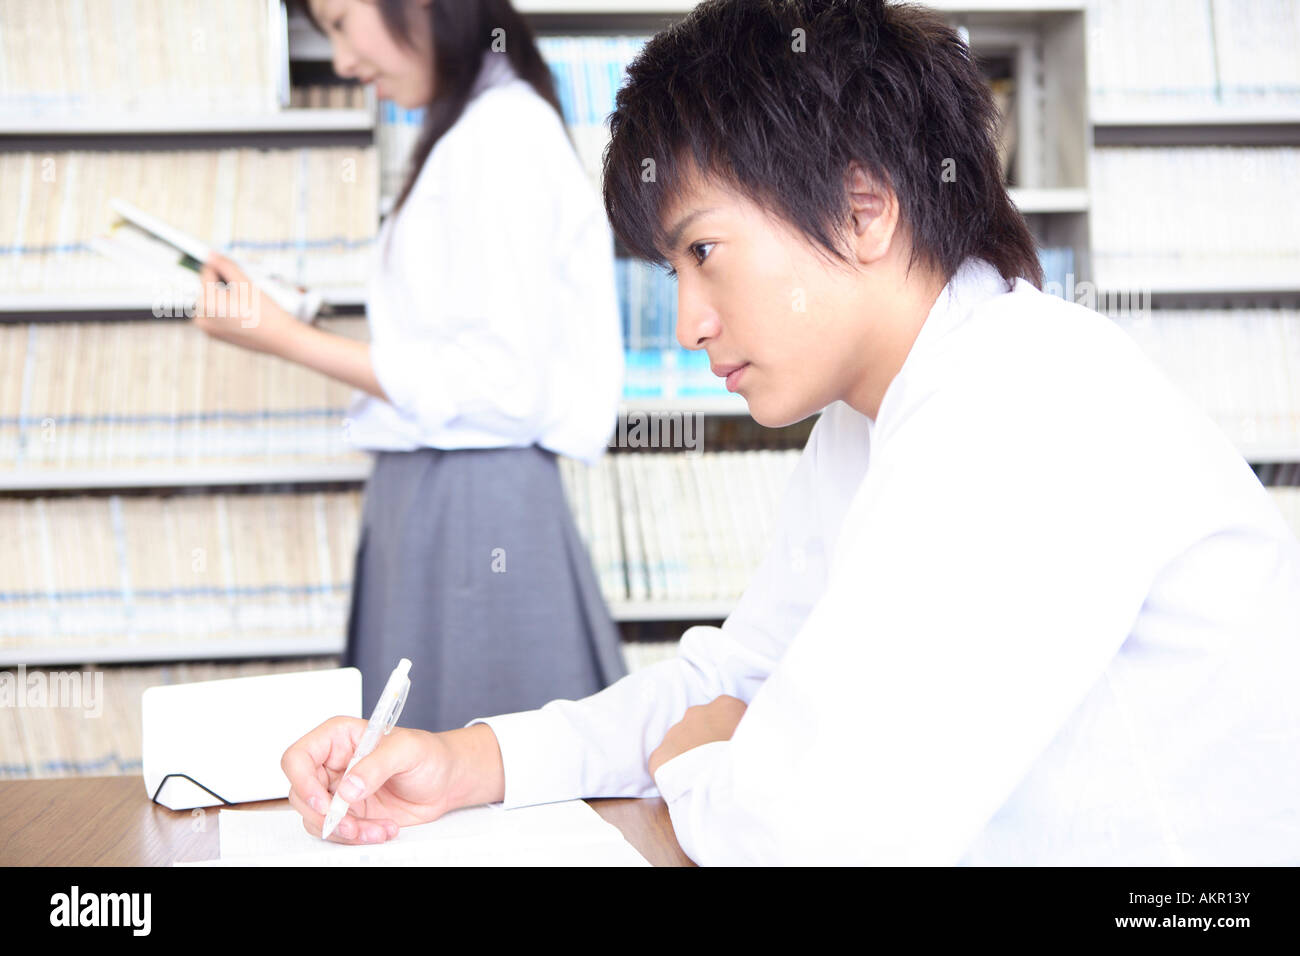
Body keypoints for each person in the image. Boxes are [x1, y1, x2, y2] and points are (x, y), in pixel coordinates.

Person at [280, 0, 1300, 864]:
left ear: (863, 210)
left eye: (704, 251)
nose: (687, 323)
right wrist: (474, 759)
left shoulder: (1023, 406)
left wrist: (699, 757)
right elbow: (735, 679)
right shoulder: (879, 412)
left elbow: (815, 839)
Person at [193, 0, 627, 731]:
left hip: (472, 509)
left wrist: (282, 339)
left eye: (338, 20)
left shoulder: (499, 131)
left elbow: (499, 385)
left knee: (479, 805)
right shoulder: (470, 128)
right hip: (444, 502)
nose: (340, 59)